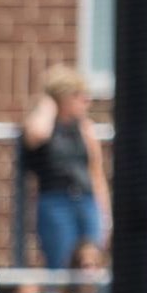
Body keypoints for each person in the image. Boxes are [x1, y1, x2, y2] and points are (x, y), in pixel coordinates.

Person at [21, 65, 108, 271]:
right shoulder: (45, 122)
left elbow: (96, 172)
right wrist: (48, 104)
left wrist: (105, 214)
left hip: (86, 201)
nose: (86, 101)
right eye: (78, 95)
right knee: (60, 264)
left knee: (92, 265)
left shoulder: (85, 127)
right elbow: (35, 135)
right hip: (55, 203)